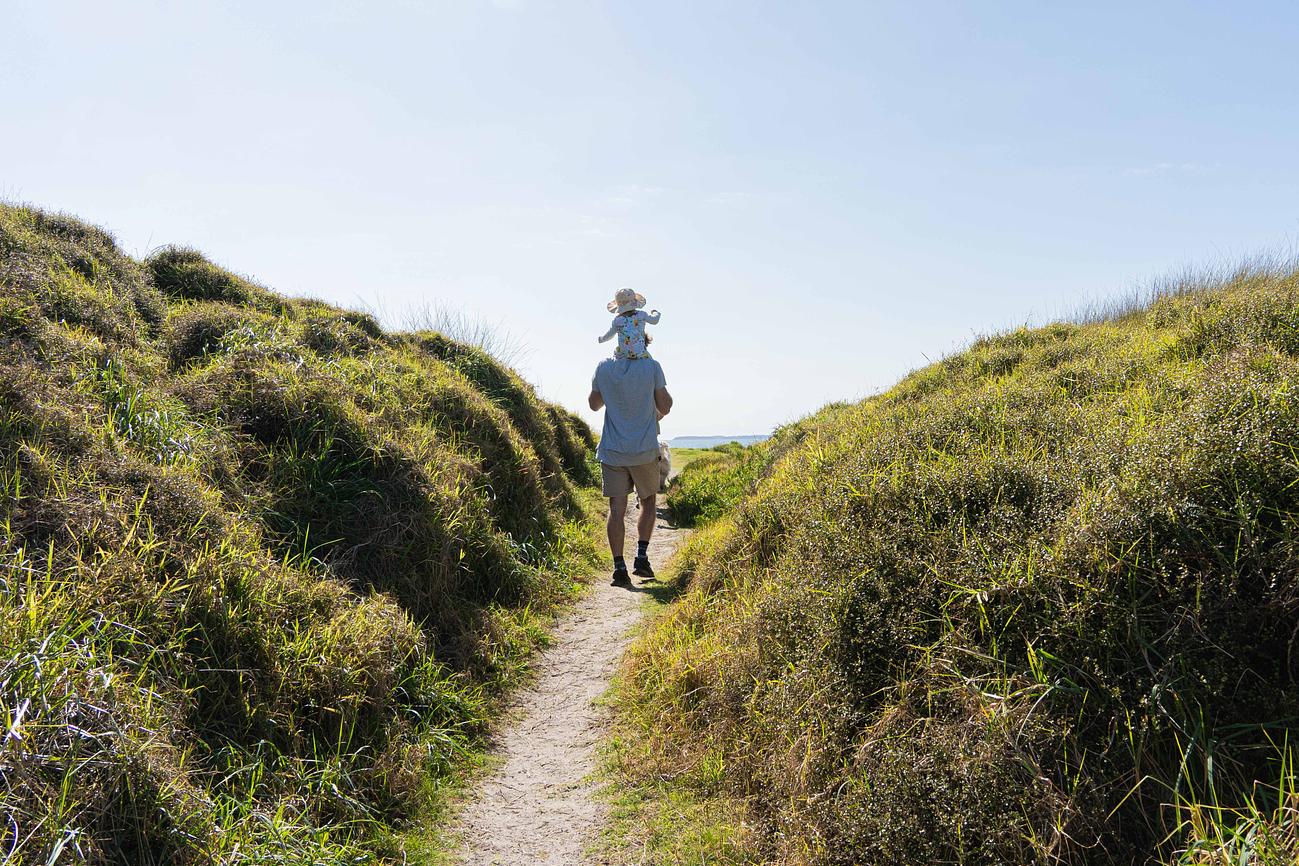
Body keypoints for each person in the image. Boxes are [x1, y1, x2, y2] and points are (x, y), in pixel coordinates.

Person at [588, 348, 673, 586]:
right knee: (647, 501)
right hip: (644, 449)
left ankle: (619, 569)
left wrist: (615, 393)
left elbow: (594, 404)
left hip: (613, 449)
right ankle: (641, 558)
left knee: (616, 508)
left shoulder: (604, 367)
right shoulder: (652, 366)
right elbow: (665, 406)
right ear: (643, 341)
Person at [598, 287, 661, 360]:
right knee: (651, 364)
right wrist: (656, 313)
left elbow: (609, 335)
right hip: (641, 353)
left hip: (624, 354)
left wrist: (601, 339)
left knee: (617, 352)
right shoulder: (641, 315)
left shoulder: (618, 320)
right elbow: (654, 320)